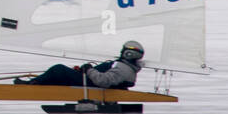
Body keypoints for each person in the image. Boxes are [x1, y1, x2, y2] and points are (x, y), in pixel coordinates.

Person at [15, 40, 145, 89]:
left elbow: (103, 81)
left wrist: (88, 70)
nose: (121, 52)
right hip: (88, 80)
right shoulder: (124, 66)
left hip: (92, 84)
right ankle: (36, 83)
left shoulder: (123, 68)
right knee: (60, 75)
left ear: (128, 54)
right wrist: (82, 71)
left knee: (58, 69)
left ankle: (31, 86)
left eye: (123, 50)